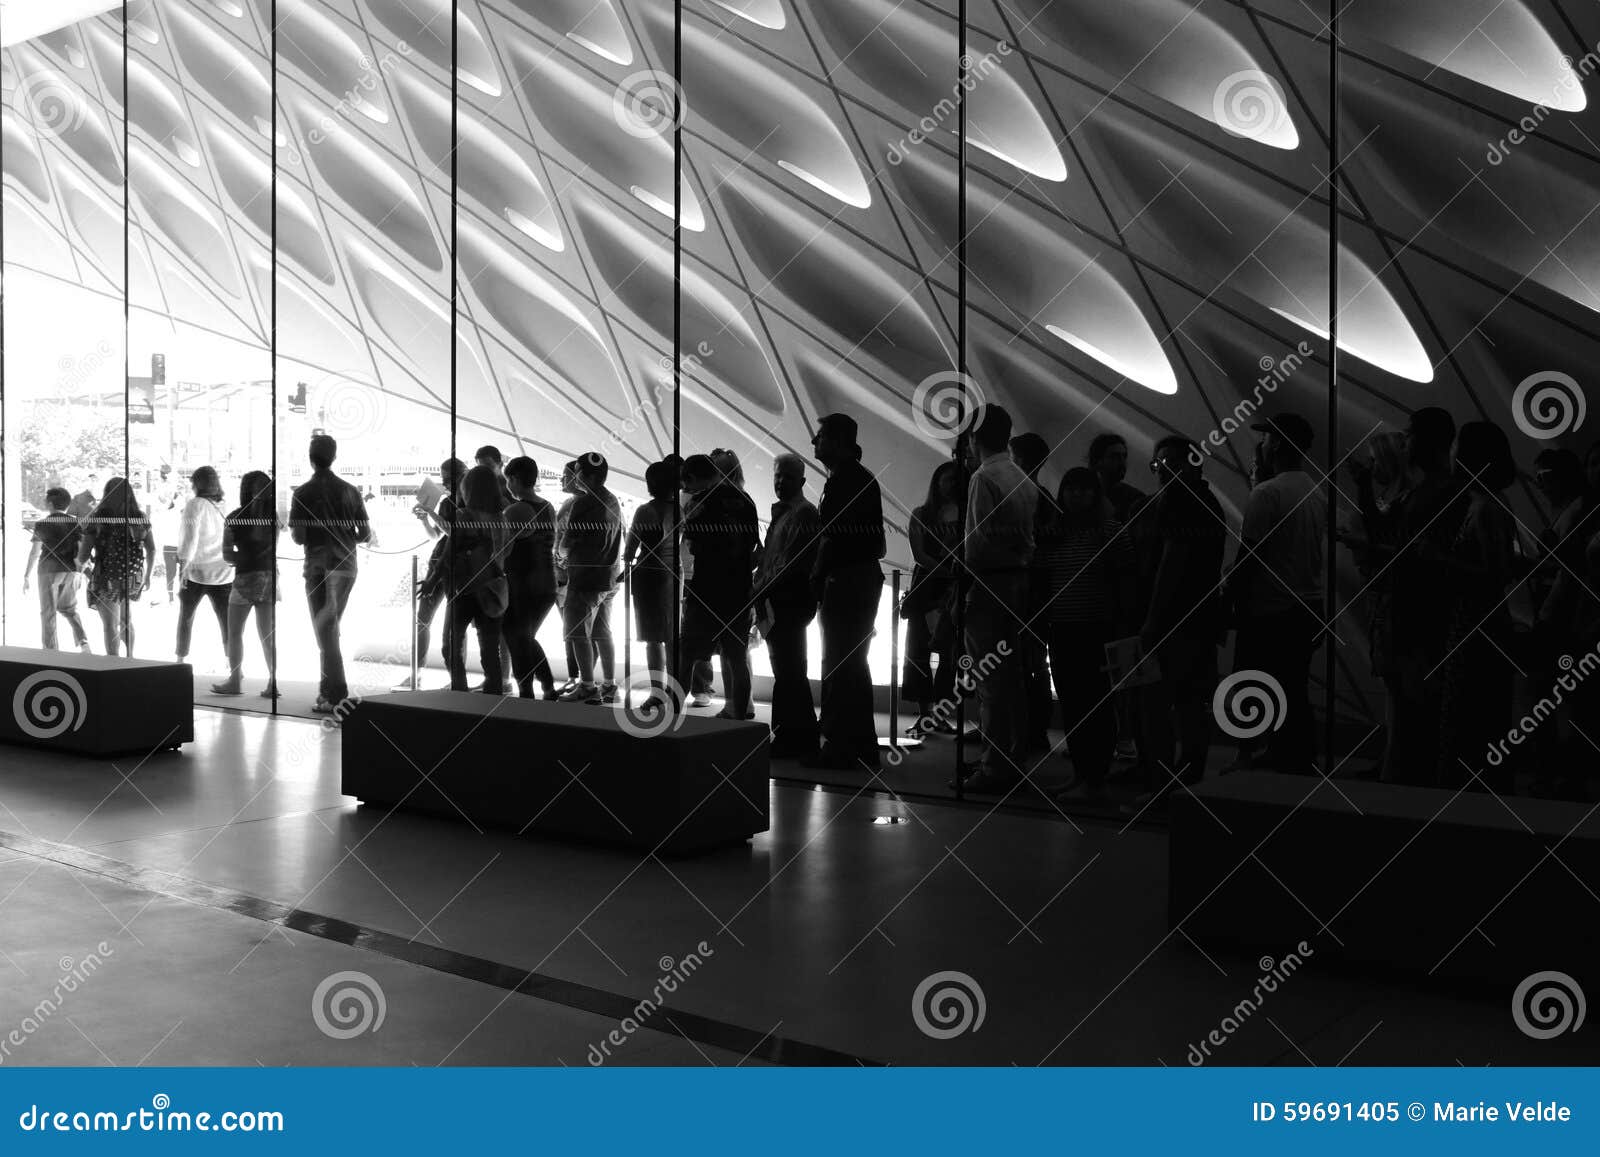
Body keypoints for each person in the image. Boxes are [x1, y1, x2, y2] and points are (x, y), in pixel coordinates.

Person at [1224, 414, 1325, 773]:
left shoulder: (1267, 493)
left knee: (1249, 683)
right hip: (1306, 607)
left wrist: (1226, 599)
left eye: (1266, 440)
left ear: (1278, 444)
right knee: (1292, 687)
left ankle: (1247, 757)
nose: (1261, 446)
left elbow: (1249, 556)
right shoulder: (1315, 490)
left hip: (1269, 610)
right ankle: (1293, 757)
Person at [1365, 407, 1459, 784]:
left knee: (1413, 724)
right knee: (1408, 721)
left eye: (1411, 434)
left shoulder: (1439, 493)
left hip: (1420, 625)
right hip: (1412, 622)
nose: (1406, 441)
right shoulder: (1430, 491)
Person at [953, 405, 1038, 793]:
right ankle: (1012, 757)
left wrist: (962, 588)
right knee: (1012, 676)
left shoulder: (983, 478)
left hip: (989, 584)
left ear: (974, 437)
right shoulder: (1021, 477)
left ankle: (994, 765)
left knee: (989, 678)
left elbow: (977, 544)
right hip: (1018, 581)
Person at [1136, 436, 1225, 802]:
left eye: (1170, 463)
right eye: (1158, 465)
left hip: (1175, 622)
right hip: (1201, 619)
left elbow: (1170, 565)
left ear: (1193, 465)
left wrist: (1151, 622)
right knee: (1191, 703)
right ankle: (1189, 780)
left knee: (1155, 704)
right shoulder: (1209, 503)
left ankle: (1160, 786)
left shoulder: (1178, 501)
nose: (1162, 472)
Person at [1041, 468, 1135, 801]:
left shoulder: (1110, 531)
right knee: (1072, 702)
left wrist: (1121, 624)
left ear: (1095, 495)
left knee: (1095, 703)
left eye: (1084, 490)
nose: (1076, 495)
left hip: (1097, 629)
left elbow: (1126, 580)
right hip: (1062, 628)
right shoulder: (1054, 533)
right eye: (1071, 489)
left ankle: (1093, 776)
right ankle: (1082, 772)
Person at [1435, 422, 1519, 790]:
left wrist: (1440, 560)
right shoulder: (1490, 503)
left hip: (1476, 627)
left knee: (1467, 718)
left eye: (1455, 446)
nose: (1450, 453)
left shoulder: (1484, 507)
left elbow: (1495, 573)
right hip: (1482, 625)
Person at [803, 415, 887, 771]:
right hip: (862, 578)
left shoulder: (842, 482)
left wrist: (816, 576)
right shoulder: (861, 479)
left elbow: (831, 538)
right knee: (853, 663)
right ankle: (861, 745)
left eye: (820, 436)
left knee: (838, 662)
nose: (814, 442)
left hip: (846, 581)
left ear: (837, 441)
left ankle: (838, 747)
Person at [290, 434, 371, 714]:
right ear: (334, 457)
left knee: (326, 632)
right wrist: (344, 538)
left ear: (311, 458)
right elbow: (365, 533)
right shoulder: (351, 491)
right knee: (330, 630)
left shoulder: (302, 493)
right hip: (347, 567)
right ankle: (330, 692)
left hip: (319, 569)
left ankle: (335, 695)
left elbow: (299, 537)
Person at [677, 454, 760, 720]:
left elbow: (691, 543)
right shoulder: (746, 500)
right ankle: (738, 715)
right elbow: (753, 545)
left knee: (687, 654)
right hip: (738, 590)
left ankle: (674, 714)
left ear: (692, 477)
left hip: (706, 590)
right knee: (737, 656)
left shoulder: (699, 503)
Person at [752, 453, 822, 755]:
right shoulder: (789, 513)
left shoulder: (801, 514)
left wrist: (758, 590)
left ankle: (792, 737)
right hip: (781, 597)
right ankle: (795, 735)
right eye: (778, 476)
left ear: (802, 481)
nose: (781, 482)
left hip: (788, 599)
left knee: (788, 670)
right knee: (787, 670)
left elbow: (790, 563)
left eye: (787, 477)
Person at [901, 462, 963, 733]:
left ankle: (939, 713)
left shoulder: (967, 514)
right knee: (918, 650)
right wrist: (948, 571)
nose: (949, 485)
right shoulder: (921, 514)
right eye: (945, 480)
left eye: (954, 480)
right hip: (928, 585)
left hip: (950, 585)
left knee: (949, 655)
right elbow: (919, 555)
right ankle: (925, 712)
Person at [557, 452, 623, 703]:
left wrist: (562, 558)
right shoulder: (612, 500)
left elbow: (567, 542)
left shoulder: (582, 503)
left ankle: (587, 685)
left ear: (588, 476)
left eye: (577, 471)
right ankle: (609, 684)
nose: (575, 476)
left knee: (576, 632)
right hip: (608, 577)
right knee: (602, 632)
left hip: (584, 577)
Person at [212, 471, 279, 698]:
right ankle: (273, 682)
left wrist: (243, 558)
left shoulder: (234, 517)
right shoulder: (273, 518)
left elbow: (227, 554)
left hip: (243, 581)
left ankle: (235, 680)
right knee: (267, 636)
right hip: (268, 580)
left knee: (235, 633)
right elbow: (273, 550)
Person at [444, 465, 511, 694]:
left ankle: (460, 695)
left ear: (468, 489)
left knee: (451, 645)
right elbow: (506, 554)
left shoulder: (463, 516)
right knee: (490, 651)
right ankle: (492, 702)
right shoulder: (503, 520)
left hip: (465, 590)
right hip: (493, 590)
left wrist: (433, 580)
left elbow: (447, 556)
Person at [1010, 431, 1057, 751]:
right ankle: (1033, 731)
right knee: (1034, 664)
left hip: (1024, 593)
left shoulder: (1024, 498)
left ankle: (1027, 731)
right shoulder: (1046, 499)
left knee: (1025, 664)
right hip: (1037, 594)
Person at [76, 477, 156, 656]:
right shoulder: (139, 517)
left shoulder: (98, 518)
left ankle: (113, 662)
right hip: (132, 576)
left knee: (110, 625)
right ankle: (130, 658)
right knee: (126, 620)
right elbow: (151, 549)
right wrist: (147, 575)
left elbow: (83, 555)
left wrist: (83, 566)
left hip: (107, 576)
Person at [502, 456, 558, 698]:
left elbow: (501, 549)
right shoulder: (548, 507)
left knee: (516, 638)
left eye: (507, 480)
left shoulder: (516, 510)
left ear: (514, 479)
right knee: (525, 637)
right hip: (547, 582)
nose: (507, 486)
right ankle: (547, 687)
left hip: (523, 584)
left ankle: (526, 691)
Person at [624, 460, 678, 707]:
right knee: (670, 635)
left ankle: (657, 691)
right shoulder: (680, 509)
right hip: (673, 573)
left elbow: (630, 549)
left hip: (649, 574)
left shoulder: (646, 511)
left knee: (652, 638)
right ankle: (675, 688)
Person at [174, 466, 234, 665]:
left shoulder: (195, 504)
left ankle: (180, 659)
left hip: (196, 571)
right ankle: (232, 662)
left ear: (197, 483)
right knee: (226, 620)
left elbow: (190, 541)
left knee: (186, 617)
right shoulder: (224, 504)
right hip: (223, 571)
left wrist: (182, 566)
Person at [412, 458, 467, 674]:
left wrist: (430, 512)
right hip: (439, 561)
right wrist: (425, 520)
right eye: (444, 480)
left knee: (454, 627)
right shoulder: (446, 503)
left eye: (449, 479)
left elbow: (454, 532)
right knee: (423, 618)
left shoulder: (469, 503)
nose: (445, 484)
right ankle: (418, 669)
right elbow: (437, 535)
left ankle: (455, 674)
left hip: (457, 565)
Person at [23, 487, 90, 652]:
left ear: (50, 504)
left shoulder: (43, 524)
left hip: (48, 570)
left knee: (48, 612)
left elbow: (34, 552)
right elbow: (83, 548)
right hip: (72, 571)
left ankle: (51, 651)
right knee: (69, 609)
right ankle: (83, 642)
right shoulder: (75, 522)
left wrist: (26, 575)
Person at [1089, 433, 1146, 523]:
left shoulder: (1135, 498)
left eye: (1124, 456)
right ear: (1098, 461)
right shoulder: (1084, 494)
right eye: (1114, 457)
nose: (1122, 462)